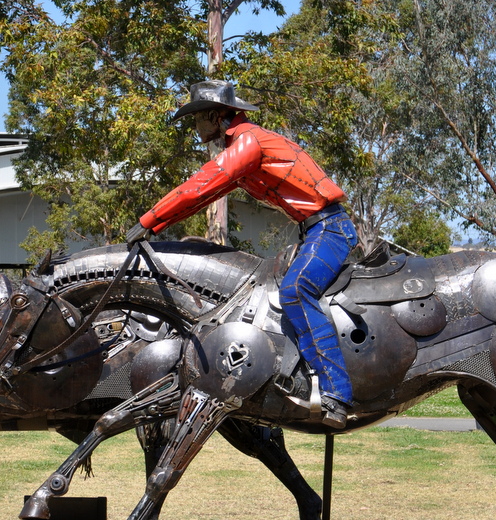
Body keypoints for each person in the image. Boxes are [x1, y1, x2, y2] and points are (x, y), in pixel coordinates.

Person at [125, 80, 358, 428]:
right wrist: (156, 225)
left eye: (198, 118)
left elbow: (203, 183)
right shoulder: (243, 147)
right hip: (314, 230)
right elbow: (205, 196)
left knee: (296, 291)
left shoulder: (248, 143)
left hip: (330, 229)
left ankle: (336, 394)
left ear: (217, 117)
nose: (195, 127)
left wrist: (150, 219)